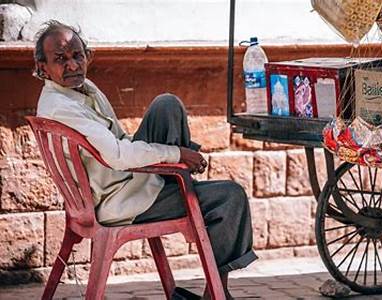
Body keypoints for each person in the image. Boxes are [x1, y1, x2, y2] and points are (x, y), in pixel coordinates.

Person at [34, 20, 257, 300]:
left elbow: (121, 142)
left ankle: (182, 187)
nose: (73, 65)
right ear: (42, 68)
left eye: (77, 55)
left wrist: (170, 155)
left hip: (127, 182)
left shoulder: (83, 89)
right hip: (121, 201)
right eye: (60, 59)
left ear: (87, 55)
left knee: (167, 105)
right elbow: (118, 155)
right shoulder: (61, 108)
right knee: (230, 197)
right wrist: (177, 154)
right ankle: (217, 291)